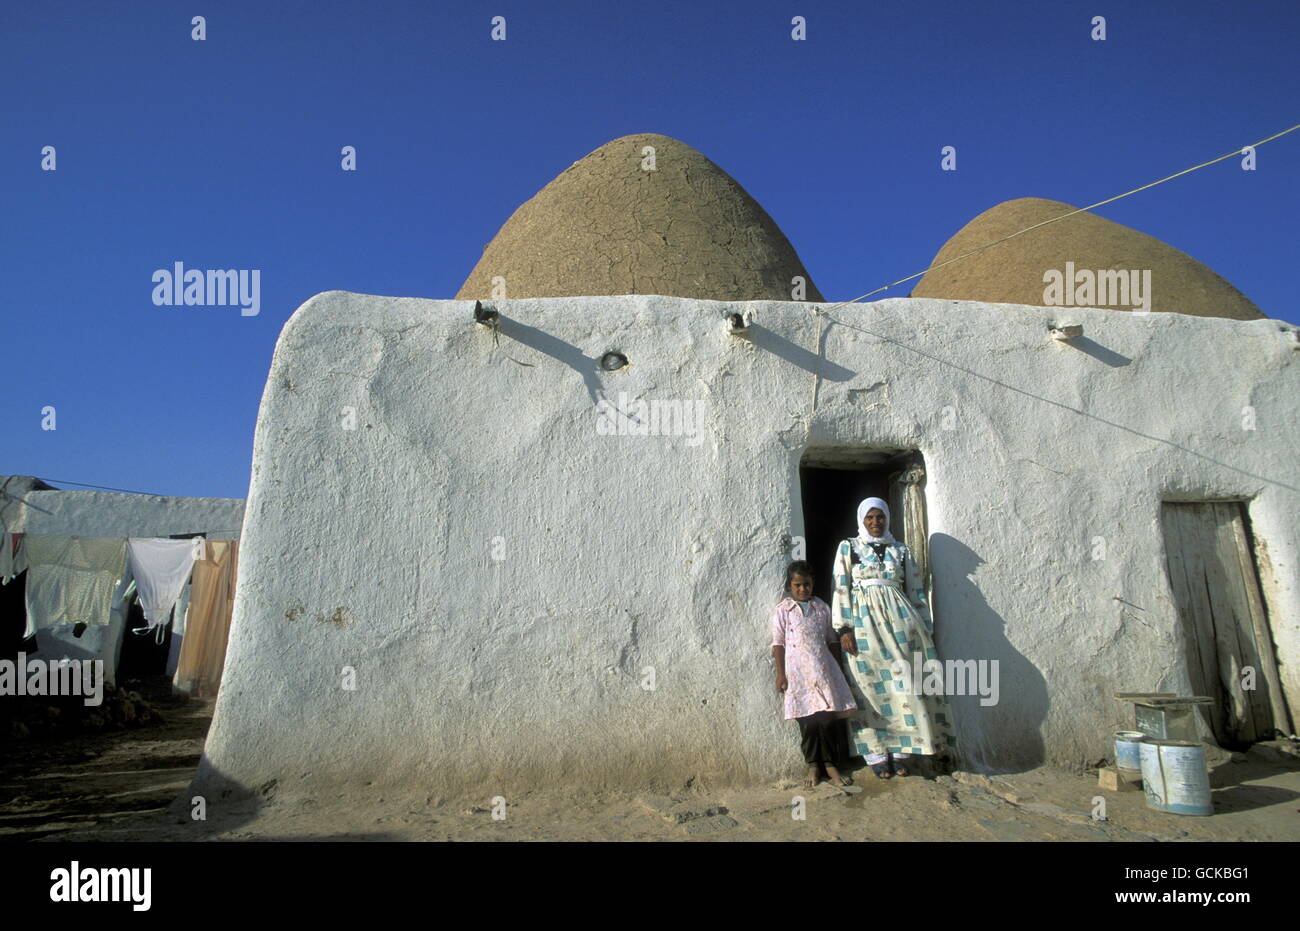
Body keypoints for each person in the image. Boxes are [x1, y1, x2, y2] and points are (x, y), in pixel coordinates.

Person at [832, 497, 953, 779]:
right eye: (870, 518)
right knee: (870, 686)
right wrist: (844, 628)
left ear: (888, 518)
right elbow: (840, 586)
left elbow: (916, 590)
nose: (876, 523)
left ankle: (901, 752)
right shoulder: (848, 548)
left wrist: (925, 628)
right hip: (864, 625)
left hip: (903, 626)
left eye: (881, 517)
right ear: (861, 520)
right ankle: (875, 752)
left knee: (905, 685)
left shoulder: (901, 550)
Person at [771, 560, 859, 789]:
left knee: (827, 717)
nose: (803, 589)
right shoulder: (784, 610)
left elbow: (831, 639)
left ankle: (830, 765)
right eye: (798, 585)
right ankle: (813, 764)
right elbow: (778, 643)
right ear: (790, 586)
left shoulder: (821, 607)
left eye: (807, 584)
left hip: (822, 669)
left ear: (813, 584)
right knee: (807, 721)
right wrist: (781, 674)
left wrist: (838, 669)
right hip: (798, 672)